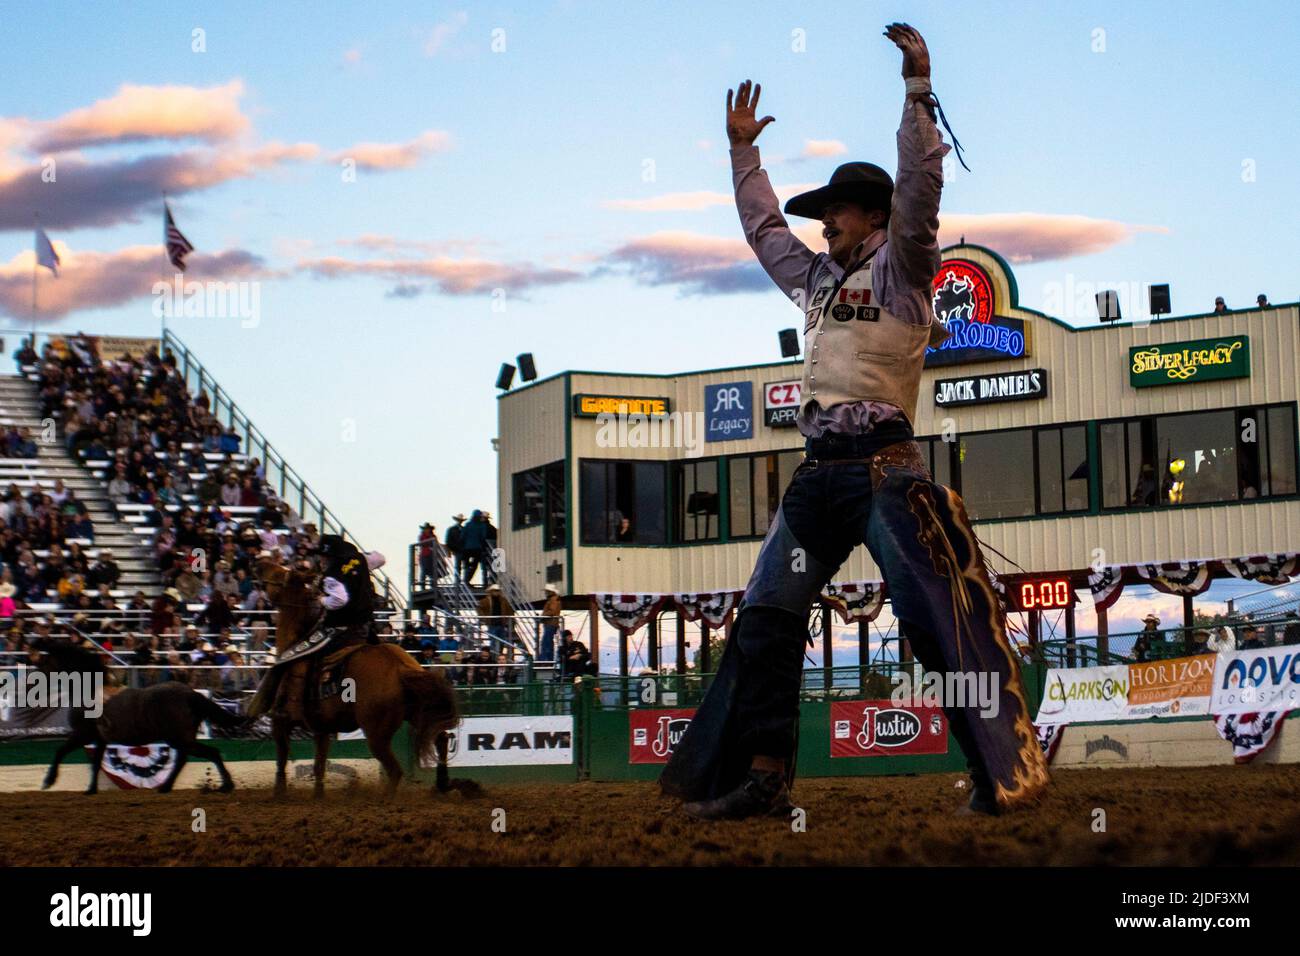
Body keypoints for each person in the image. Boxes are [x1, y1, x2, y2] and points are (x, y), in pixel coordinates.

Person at [660, 24, 1047, 821]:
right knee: (769, 613)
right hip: (828, 470)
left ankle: (993, 774)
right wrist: (743, 156)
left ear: (871, 216)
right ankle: (766, 775)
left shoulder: (906, 265)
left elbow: (923, 186)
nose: (820, 223)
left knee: (931, 616)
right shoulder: (816, 278)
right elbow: (765, 231)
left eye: (833, 212)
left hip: (884, 466)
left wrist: (916, 89)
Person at [540, 584, 562, 664]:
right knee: (548, 642)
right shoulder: (554, 599)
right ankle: (548, 660)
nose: (545, 593)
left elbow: (552, 611)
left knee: (546, 643)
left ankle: (545, 660)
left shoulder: (553, 600)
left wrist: (542, 616)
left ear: (550, 592)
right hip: (551, 623)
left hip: (550, 623)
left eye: (546, 591)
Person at [445, 513, 467, 582]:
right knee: (458, 566)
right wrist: (451, 549)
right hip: (457, 550)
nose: (460, 521)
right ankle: (458, 581)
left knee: (464, 566)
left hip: (463, 550)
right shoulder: (452, 529)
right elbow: (448, 541)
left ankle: (463, 580)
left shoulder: (461, 529)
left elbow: (448, 540)